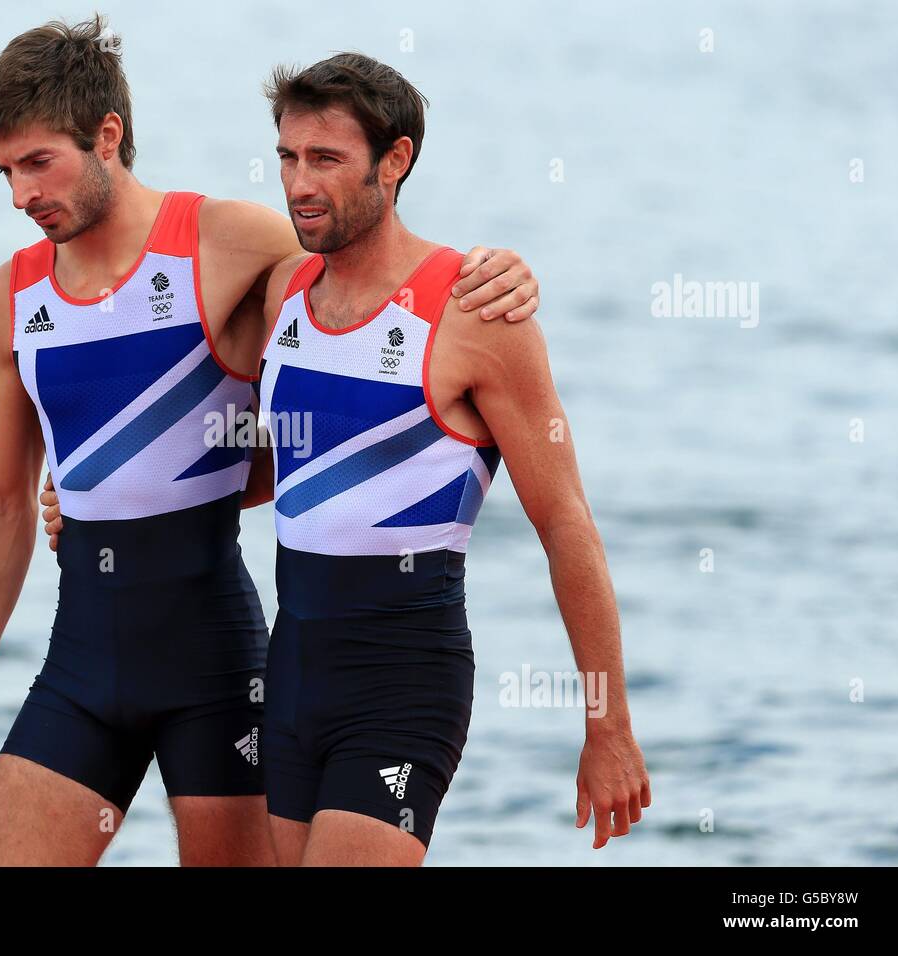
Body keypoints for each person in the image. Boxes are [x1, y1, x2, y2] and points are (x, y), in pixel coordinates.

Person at [0, 16, 542, 867]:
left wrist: (495, 274)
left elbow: (366, 281)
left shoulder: (229, 241)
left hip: (219, 676)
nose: (20, 195)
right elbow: (0, 503)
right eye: (5, 171)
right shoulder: (11, 297)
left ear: (108, 136)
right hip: (80, 667)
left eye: (38, 163)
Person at [248, 53, 651, 864]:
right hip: (289, 676)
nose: (299, 184)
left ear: (394, 160)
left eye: (326, 159)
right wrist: (96, 501)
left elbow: (566, 524)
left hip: (402, 687)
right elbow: (283, 469)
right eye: (288, 157)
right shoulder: (284, 290)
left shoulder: (475, 312)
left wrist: (608, 727)